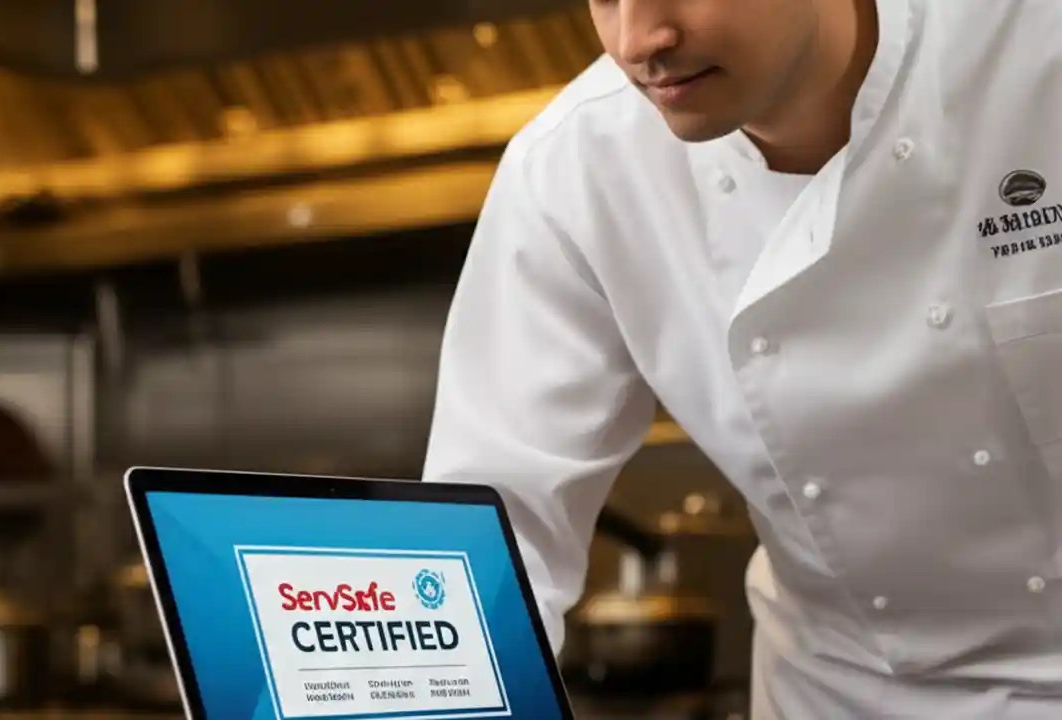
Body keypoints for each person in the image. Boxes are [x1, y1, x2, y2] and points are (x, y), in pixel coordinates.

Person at [421, 0, 1062, 716]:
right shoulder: (575, 171)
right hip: (848, 698)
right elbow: (490, 538)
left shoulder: (1038, 50)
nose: (639, 41)